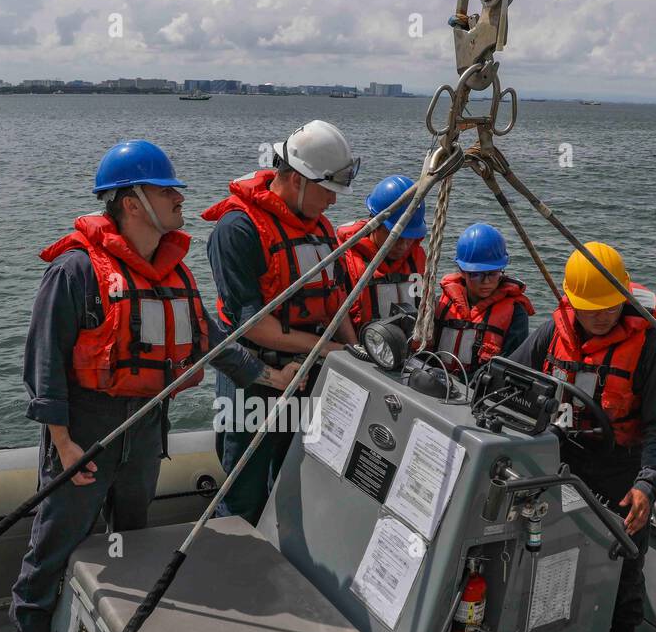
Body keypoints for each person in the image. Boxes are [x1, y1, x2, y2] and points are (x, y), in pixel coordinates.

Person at [7, 140, 299, 632]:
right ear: (134, 202)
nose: (179, 200)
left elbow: (210, 337)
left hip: (146, 424)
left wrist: (267, 374)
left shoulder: (173, 273)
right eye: (168, 191)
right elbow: (43, 359)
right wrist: (62, 441)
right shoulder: (75, 272)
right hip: (87, 426)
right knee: (57, 535)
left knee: (133, 529)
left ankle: (117, 627)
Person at [510, 241, 656, 632]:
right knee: (536, 550)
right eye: (592, 309)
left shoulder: (652, 347)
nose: (603, 316)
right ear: (570, 302)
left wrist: (648, 484)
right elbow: (512, 378)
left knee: (624, 566)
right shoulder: (551, 332)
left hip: (619, 472)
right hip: (555, 461)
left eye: (611, 306)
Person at [203, 119, 360, 523]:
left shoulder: (320, 228)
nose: (333, 203)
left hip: (311, 373)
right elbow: (251, 326)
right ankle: (239, 576)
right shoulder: (237, 230)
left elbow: (337, 296)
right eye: (327, 191)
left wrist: (355, 351)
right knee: (244, 491)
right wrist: (331, 349)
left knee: (296, 484)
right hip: (255, 377)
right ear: (295, 180)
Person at [430, 223, 533, 374]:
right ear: (463, 272)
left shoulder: (516, 315)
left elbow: (510, 367)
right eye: (476, 274)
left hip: (480, 392)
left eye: (492, 273)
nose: (486, 281)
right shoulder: (442, 303)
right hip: (434, 380)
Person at [337, 174, 427, 331]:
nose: (404, 245)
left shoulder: (418, 258)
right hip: (359, 350)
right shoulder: (344, 259)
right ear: (374, 223)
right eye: (397, 236)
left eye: (410, 237)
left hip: (410, 351)